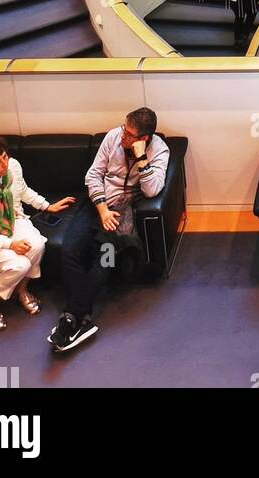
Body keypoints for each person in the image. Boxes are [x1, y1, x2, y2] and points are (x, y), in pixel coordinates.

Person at [48, 107, 169, 354]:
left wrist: (142, 160)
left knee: (105, 258)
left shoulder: (159, 150)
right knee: (69, 251)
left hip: (121, 212)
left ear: (143, 139)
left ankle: (70, 319)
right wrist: (102, 209)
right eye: (124, 128)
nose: (123, 135)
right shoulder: (113, 136)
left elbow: (152, 190)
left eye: (129, 134)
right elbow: (93, 175)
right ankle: (80, 318)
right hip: (96, 204)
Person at [0, 136, 75, 332]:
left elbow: (22, 191)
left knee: (37, 245)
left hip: (11, 220)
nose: (4, 163)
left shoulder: (12, 166)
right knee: (19, 263)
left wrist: (47, 206)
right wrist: (10, 245)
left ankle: (22, 290)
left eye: (5, 156)